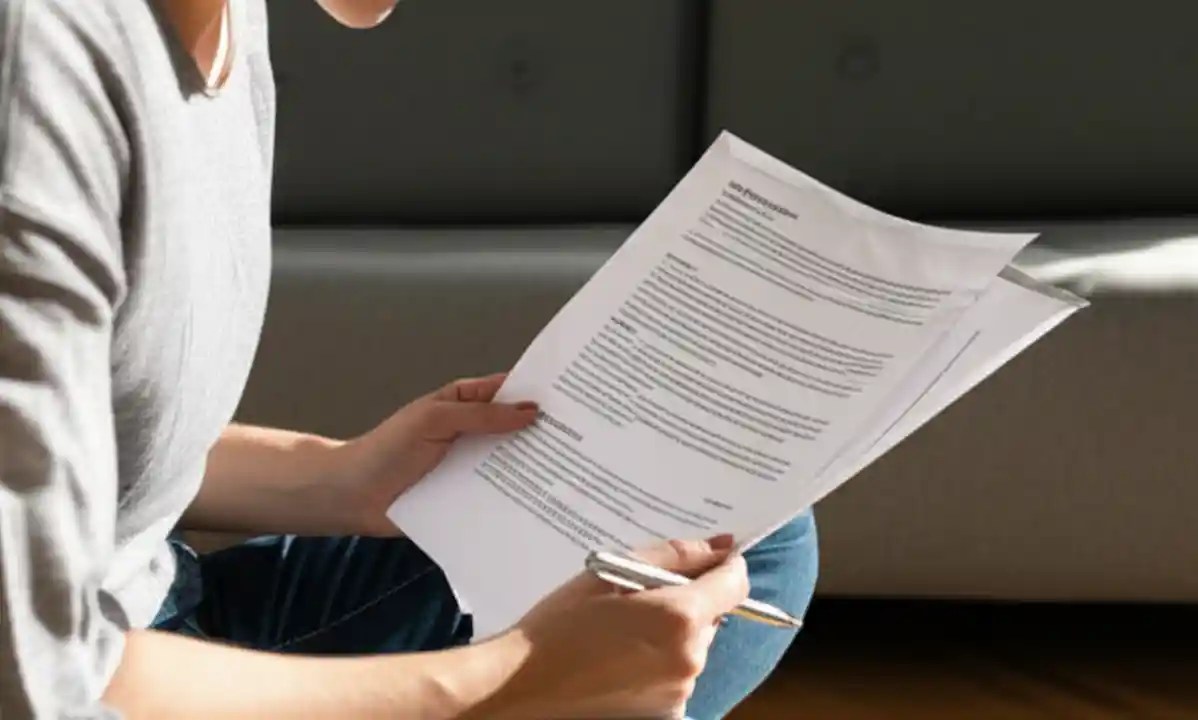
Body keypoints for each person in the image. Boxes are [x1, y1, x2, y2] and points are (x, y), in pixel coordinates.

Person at [0, 0, 818, 717]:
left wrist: (338, 478)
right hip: (91, 672)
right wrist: (509, 683)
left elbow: (75, 441)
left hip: (158, 609)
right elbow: (32, 682)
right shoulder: (40, 62)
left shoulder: (219, 20)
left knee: (742, 541)